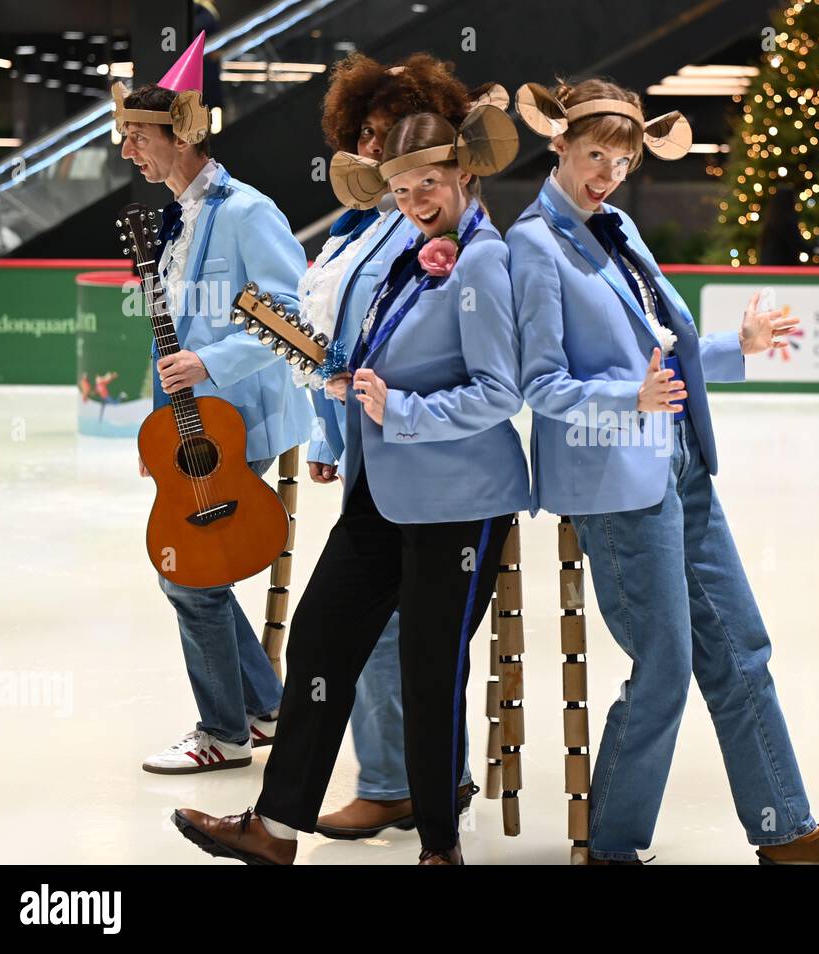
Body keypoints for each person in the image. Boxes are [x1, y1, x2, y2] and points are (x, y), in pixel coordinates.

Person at [507, 77, 819, 864]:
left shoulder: (617, 227)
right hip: (615, 483)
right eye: (595, 154)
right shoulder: (533, 245)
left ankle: (786, 826)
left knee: (742, 648)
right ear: (560, 144)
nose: (607, 172)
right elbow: (539, 385)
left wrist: (733, 350)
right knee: (667, 668)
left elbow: (660, 354)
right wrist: (628, 397)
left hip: (679, 462)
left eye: (623, 158)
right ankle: (610, 844)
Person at [173, 96, 528, 865]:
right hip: (381, 493)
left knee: (431, 672)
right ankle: (274, 829)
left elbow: (502, 392)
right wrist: (347, 385)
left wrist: (398, 408)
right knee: (321, 641)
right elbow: (388, 349)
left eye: (429, 183)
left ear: (462, 172)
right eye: (401, 191)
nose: (415, 203)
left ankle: (440, 848)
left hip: (459, 506)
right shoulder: (409, 251)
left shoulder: (487, 261)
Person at [116, 33, 313, 775]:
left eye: (139, 138)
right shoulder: (177, 214)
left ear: (182, 135)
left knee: (189, 574)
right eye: (127, 137)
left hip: (242, 416)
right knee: (196, 573)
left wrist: (212, 358)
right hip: (195, 421)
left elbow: (290, 313)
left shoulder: (246, 211)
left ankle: (224, 732)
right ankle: (266, 710)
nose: (128, 152)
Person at [297, 51, 480, 840]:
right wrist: (327, 426)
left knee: (401, 629)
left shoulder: (439, 230)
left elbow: (442, 353)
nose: (376, 147)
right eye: (367, 132)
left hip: (428, 449)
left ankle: (404, 782)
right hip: (367, 438)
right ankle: (415, 778)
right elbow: (332, 340)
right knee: (379, 623)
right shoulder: (352, 226)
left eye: (393, 131)